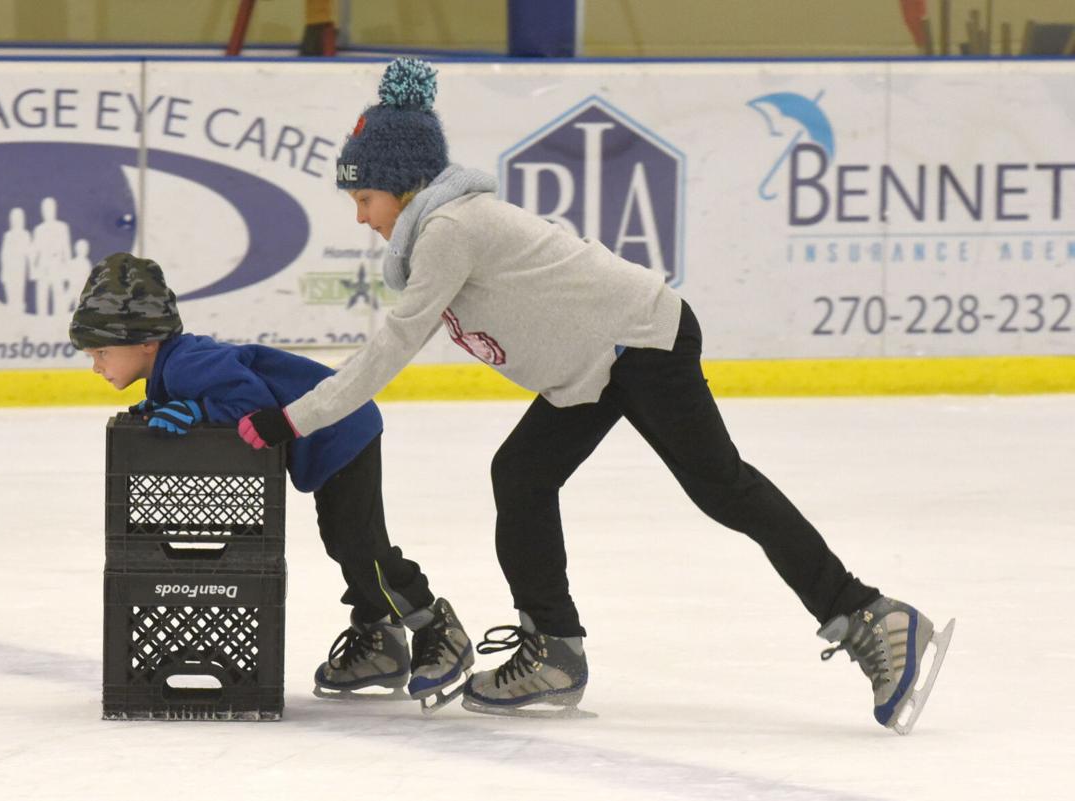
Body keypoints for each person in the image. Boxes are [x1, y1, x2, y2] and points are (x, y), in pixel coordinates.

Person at [238, 58, 954, 730]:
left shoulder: (451, 230)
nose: (361, 216)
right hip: (593, 369)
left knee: (722, 487)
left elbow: (391, 347)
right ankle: (554, 649)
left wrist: (293, 418)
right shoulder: (442, 228)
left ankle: (870, 615)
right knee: (521, 474)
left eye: (364, 198)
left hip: (640, 342)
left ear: (403, 186)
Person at [68, 251, 474, 709]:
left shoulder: (184, 365)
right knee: (343, 541)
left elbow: (253, 403)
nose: (96, 365)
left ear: (146, 342)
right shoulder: (174, 367)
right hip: (336, 431)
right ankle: (381, 640)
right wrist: (173, 406)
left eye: (102, 352)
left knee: (359, 544)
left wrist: (199, 410)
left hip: (341, 428)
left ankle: (435, 627)